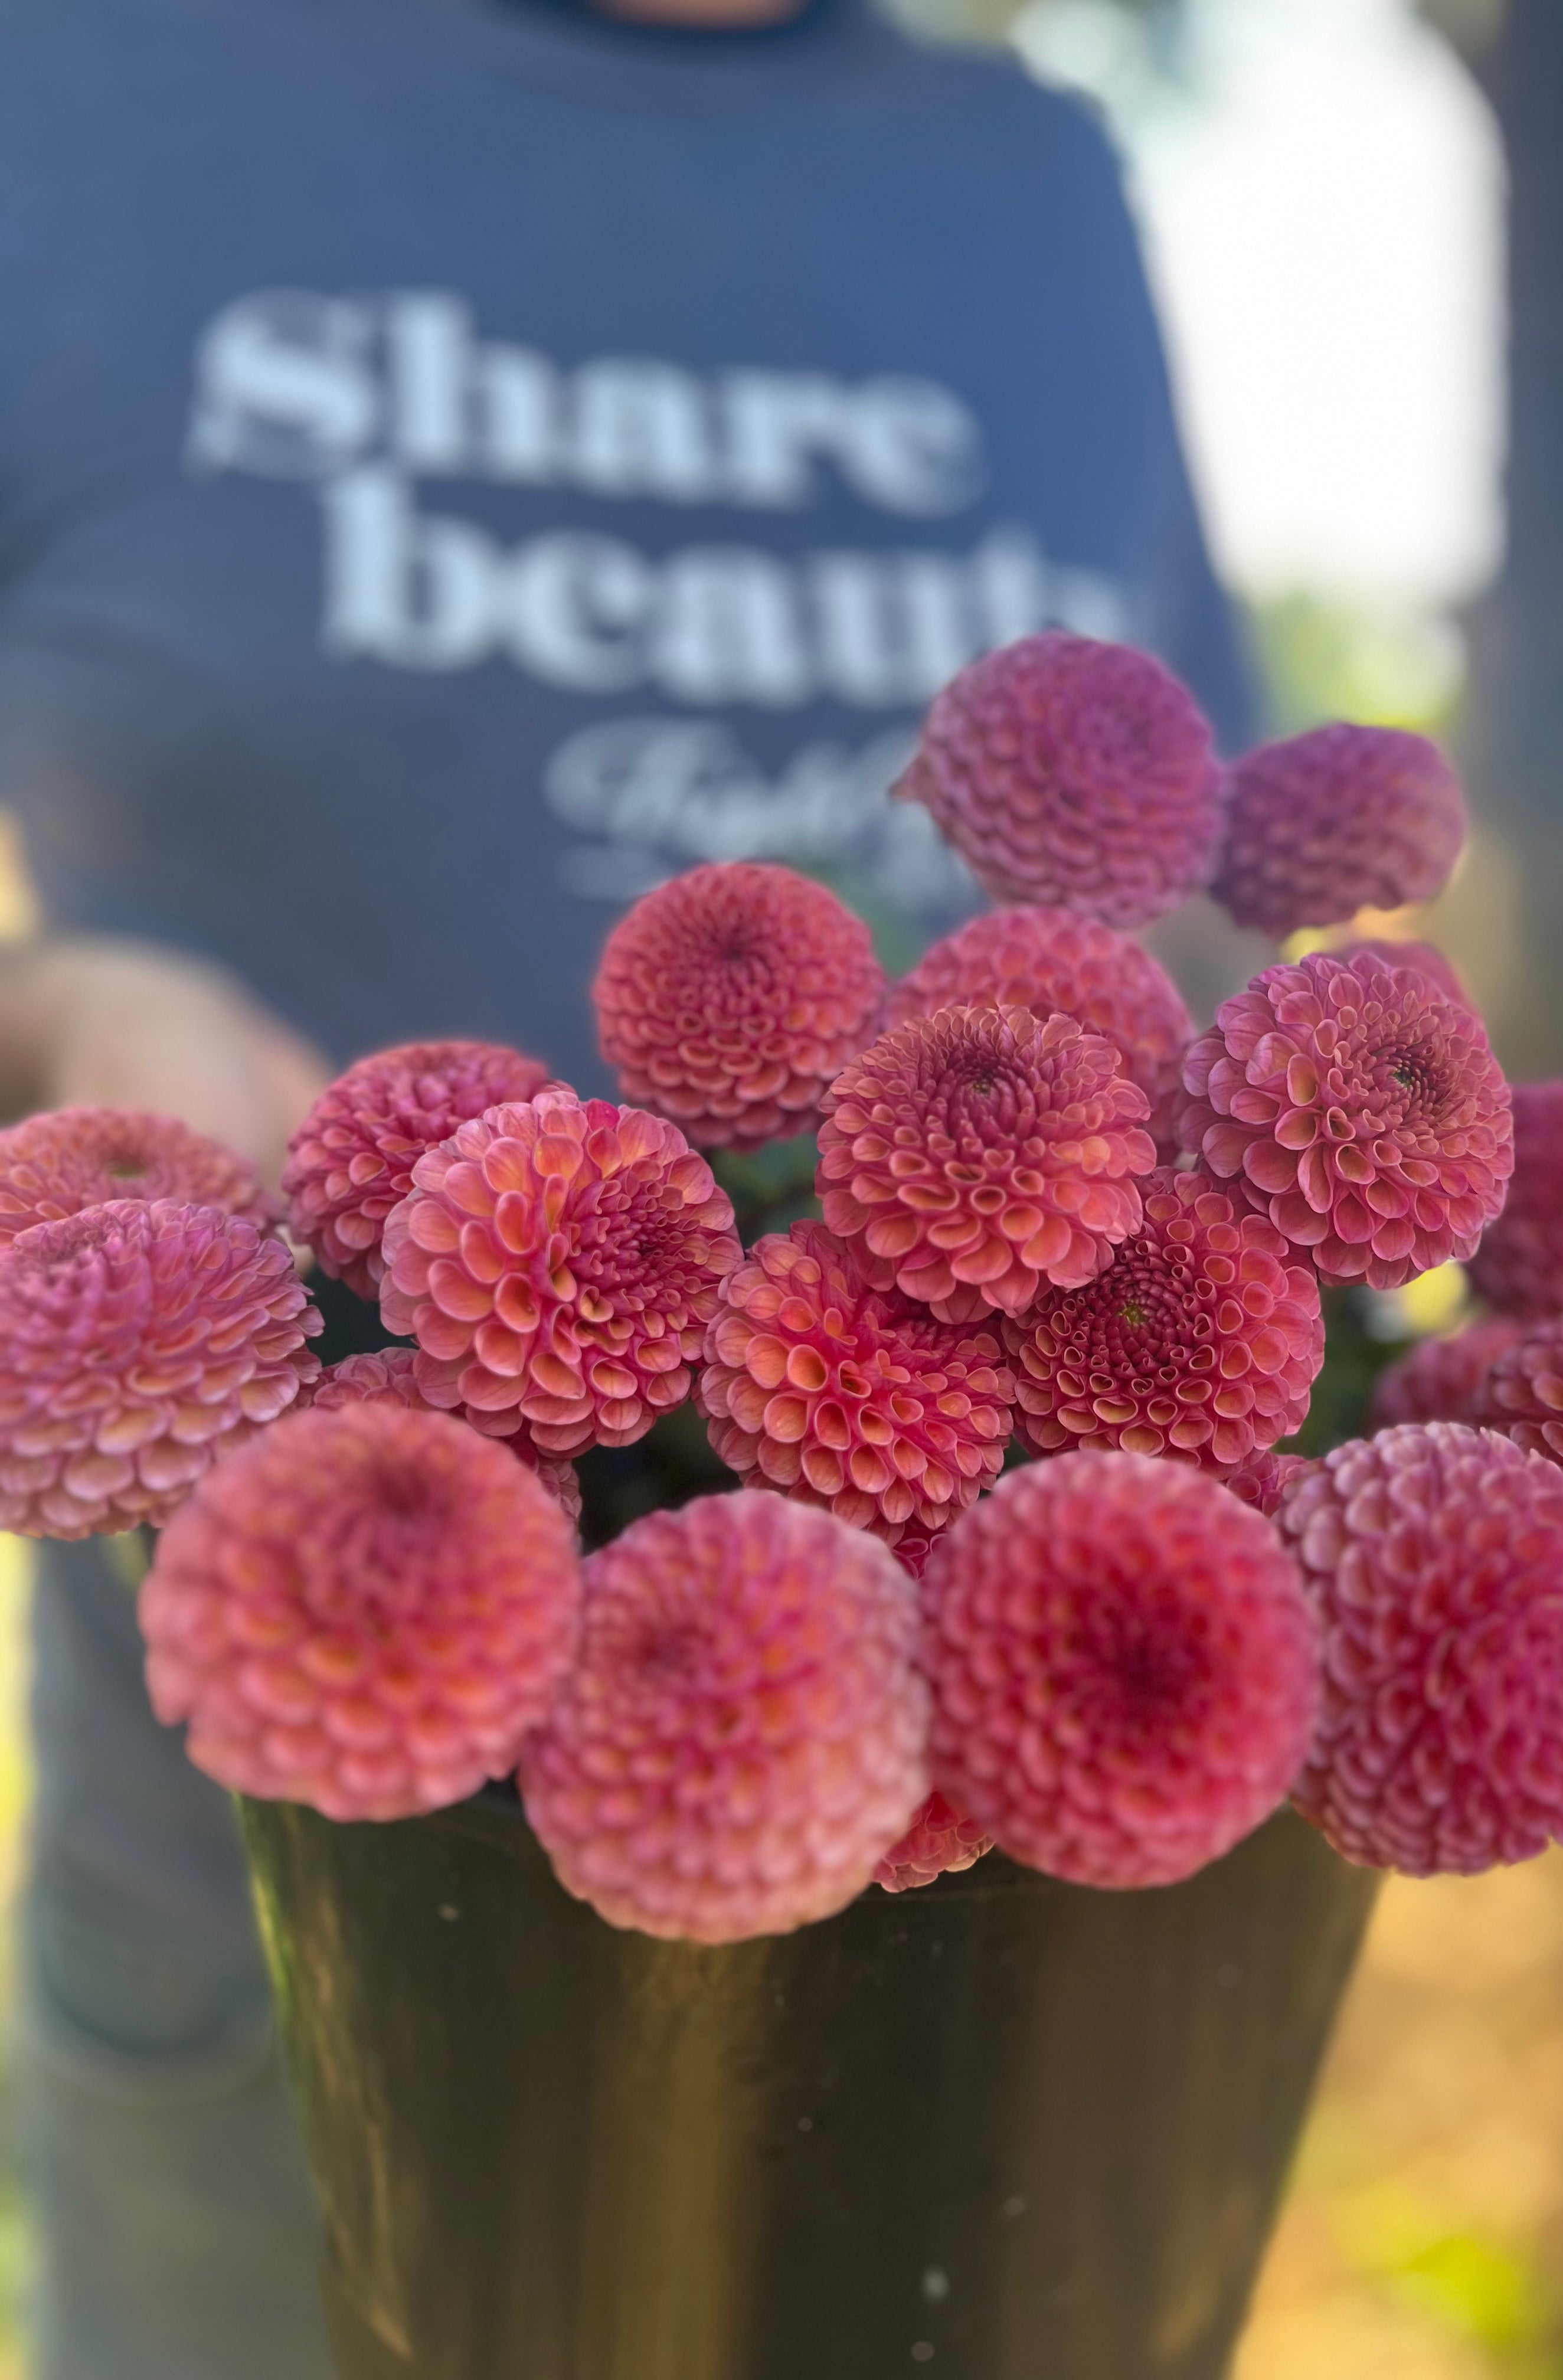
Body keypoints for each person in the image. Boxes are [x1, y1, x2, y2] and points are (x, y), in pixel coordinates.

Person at [0, 0, 1253, 2369]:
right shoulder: (76, 85)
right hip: (281, 1920)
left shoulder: (1038, 189)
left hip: (996, 1951)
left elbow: (1192, 902)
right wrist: (79, 1017)